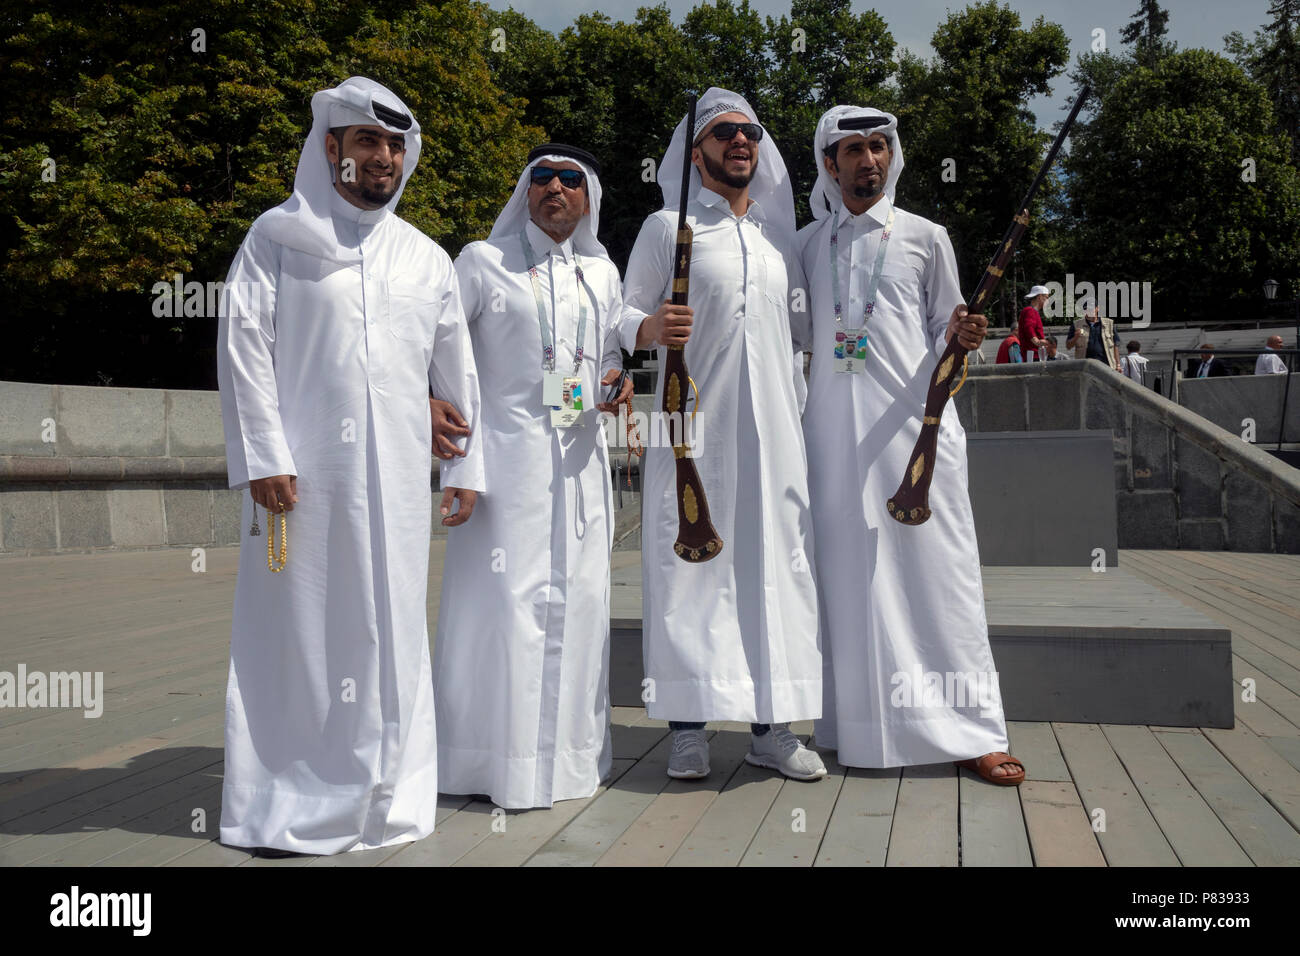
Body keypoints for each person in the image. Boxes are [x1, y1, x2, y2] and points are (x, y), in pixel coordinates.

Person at [215, 78, 484, 855]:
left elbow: (453, 374)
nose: (383, 157)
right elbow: (245, 348)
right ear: (331, 147)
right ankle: (290, 802)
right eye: (368, 140)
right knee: (299, 637)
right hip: (301, 485)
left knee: (392, 633)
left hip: (396, 490)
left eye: (395, 144)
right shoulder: (277, 238)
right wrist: (263, 454)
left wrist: (464, 469)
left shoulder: (425, 258)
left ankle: (389, 799)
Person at [797, 104, 1023, 786]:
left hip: (915, 437)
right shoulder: (805, 245)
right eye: (855, 149)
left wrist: (962, 336)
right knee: (847, 584)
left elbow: (946, 333)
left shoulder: (927, 236)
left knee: (940, 578)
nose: (870, 160)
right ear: (829, 164)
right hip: (832, 446)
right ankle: (855, 730)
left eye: (880, 147)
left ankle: (973, 732)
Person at [618, 88, 825, 782]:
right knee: (689, 571)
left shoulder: (775, 242)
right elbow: (624, 316)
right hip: (689, 432)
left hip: (774, 436)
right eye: (725, 132)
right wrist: (649, 329)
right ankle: (688, 727)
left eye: (751, 133)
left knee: (775, 571)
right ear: (696, 151)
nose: (741, 141)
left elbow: (801, 337)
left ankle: (773, 728)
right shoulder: (665, 228)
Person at [430, 144, 633, 809]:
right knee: (504, 611)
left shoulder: (602, 273)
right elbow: (434, 347)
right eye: (541, 177)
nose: (555, 187)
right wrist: (449, 442)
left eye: (570, 179)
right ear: (525, 190)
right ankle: (492, 766)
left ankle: (567, 764)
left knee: (580, 608)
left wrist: (615, 380)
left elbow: (607, 354)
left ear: (588, 196)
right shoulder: (482, 263)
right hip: (504, 471)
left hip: (579, 470)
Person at [1067, 305, 1121, 370]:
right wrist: (1076, 337)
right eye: (1086, 309)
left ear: (1097, 308)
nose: (1089, 311)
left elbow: (1115, 345)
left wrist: (1118, 365)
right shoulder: (1076, 325)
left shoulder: (1109, 323)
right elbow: (1068, 346)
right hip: (1085, 368)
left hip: (1106, 366)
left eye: (1091, 308)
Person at [1019, 285, 1051, 361]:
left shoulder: (1032, 311)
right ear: (1039, 297)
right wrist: (1037, 341)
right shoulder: (1030, 310)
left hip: (1034, 354)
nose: (1048, 301)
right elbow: (1028, 327)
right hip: (1033, 355)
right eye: (1046, 297)